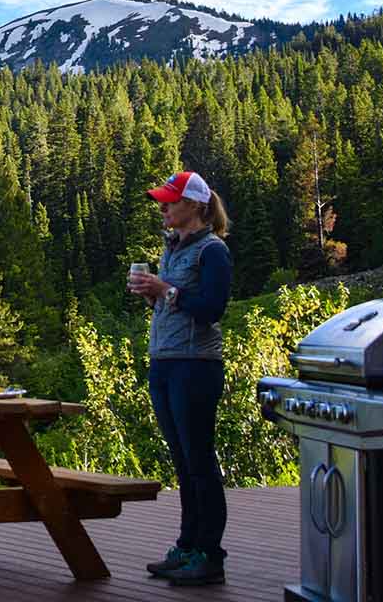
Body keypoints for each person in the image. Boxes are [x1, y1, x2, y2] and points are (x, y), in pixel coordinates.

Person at [129, 170, 233, 587]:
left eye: (170, 201)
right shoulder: (173, 249)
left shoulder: (213, 251)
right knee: (182, 459)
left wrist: (165, 289)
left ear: (195, 205)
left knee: (199, 459)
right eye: (162, 201)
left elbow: (211, 308)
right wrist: (156, 292)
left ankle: (211, 553)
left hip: (196, 365)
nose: (163, 207)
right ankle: (188, 545)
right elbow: (177, 302)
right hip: (166, 362)